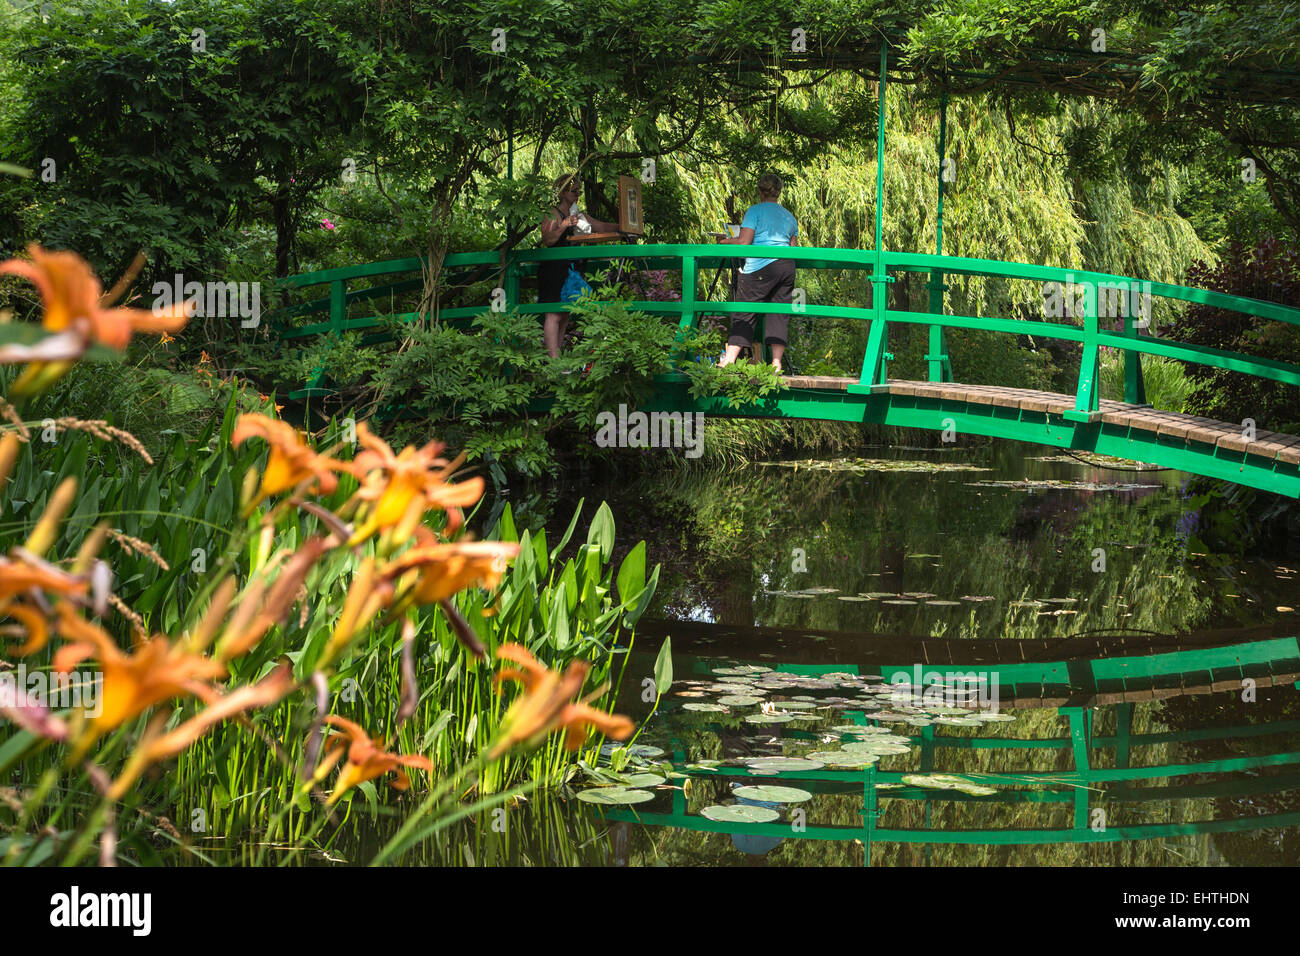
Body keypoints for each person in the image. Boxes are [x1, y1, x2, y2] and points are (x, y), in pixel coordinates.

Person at [717, 173, 798, 372]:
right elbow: (794, 247)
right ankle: (776, 364)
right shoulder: (789, 216)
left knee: (744, 311)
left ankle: (729, 361)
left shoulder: (755, 211)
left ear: (760, 191)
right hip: (786, 267)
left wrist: (724, 241)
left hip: (761, 267)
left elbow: (744, 242)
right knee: (779, 313)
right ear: (778, 192)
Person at [537, 173, 619, 359]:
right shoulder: (552, 213)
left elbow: (601, 227)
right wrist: (564, 224)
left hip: (570, 269)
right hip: (553, 270)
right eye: (574, 191)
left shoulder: (577, 215)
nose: (578, 194)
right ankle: (553, 361)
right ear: (563, 192)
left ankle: (556, 358)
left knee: (565, 313)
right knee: (554, 313)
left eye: (579, 191)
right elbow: (548, 240)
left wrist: (626, 226)